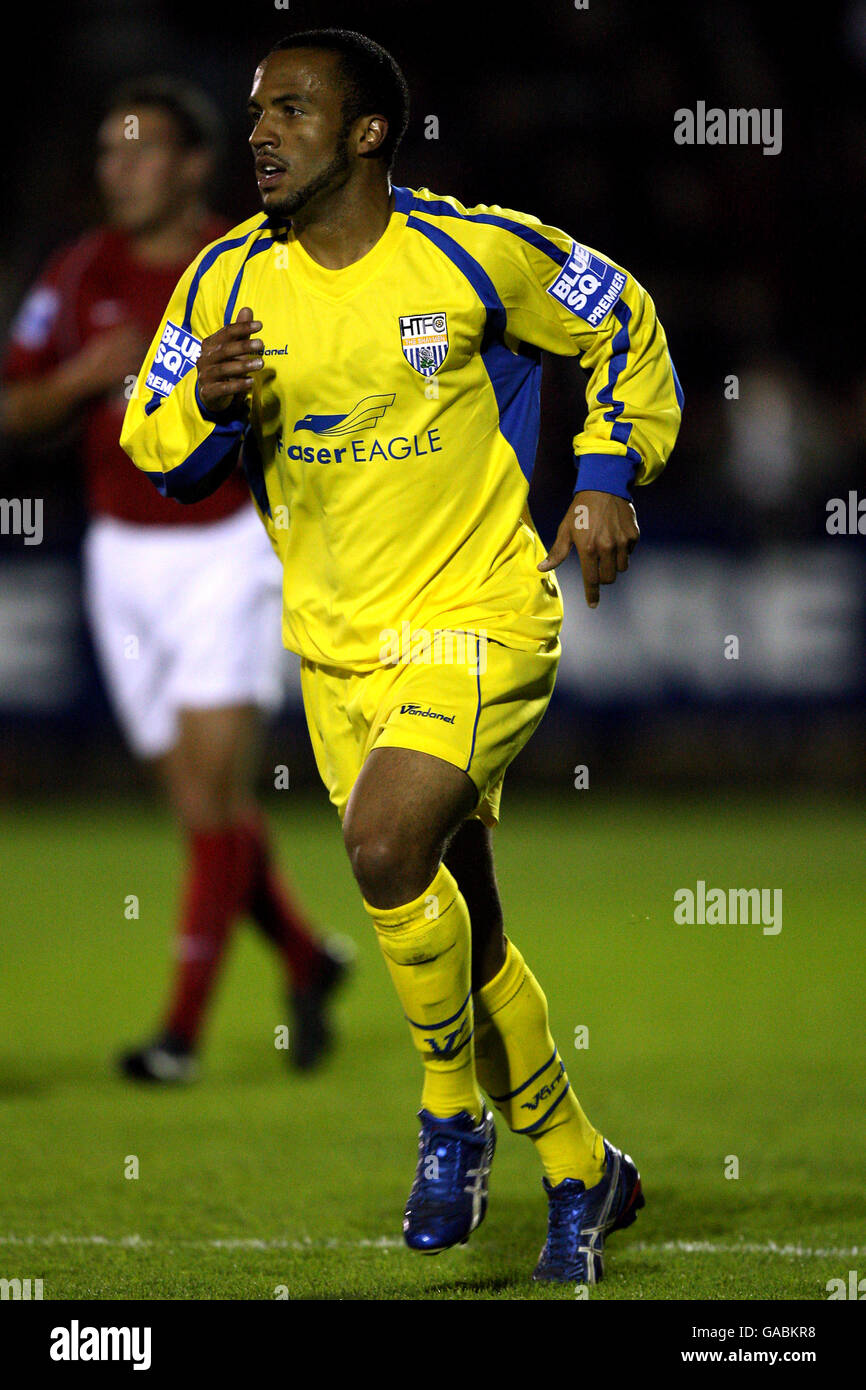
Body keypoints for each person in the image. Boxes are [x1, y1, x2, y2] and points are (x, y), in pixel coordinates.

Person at [119, 30, 683, 1282]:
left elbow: (622, 320)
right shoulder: (220, 282)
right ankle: (585, 1168)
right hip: (335, 651)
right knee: (463, 931)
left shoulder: (471, 250)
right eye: (256, 110)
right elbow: (151, 437)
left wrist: (601, 478)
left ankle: (444, 1112)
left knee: (380, 848)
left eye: (294, 110)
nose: (260, 131)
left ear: (370, 131)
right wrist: (202, 408)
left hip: (480, 607)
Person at [1, 75, 350, 1084]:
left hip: (227, 545)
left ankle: (180, 1036)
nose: (120, 171)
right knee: (201, 807)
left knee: (213, 791)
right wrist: (78, 378)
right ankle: (303, 954)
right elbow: (16, 409)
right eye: (109, 153)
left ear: (194, 164)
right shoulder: (78, 273)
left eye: (141, 150)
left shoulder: (245, 264)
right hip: (118, 558)